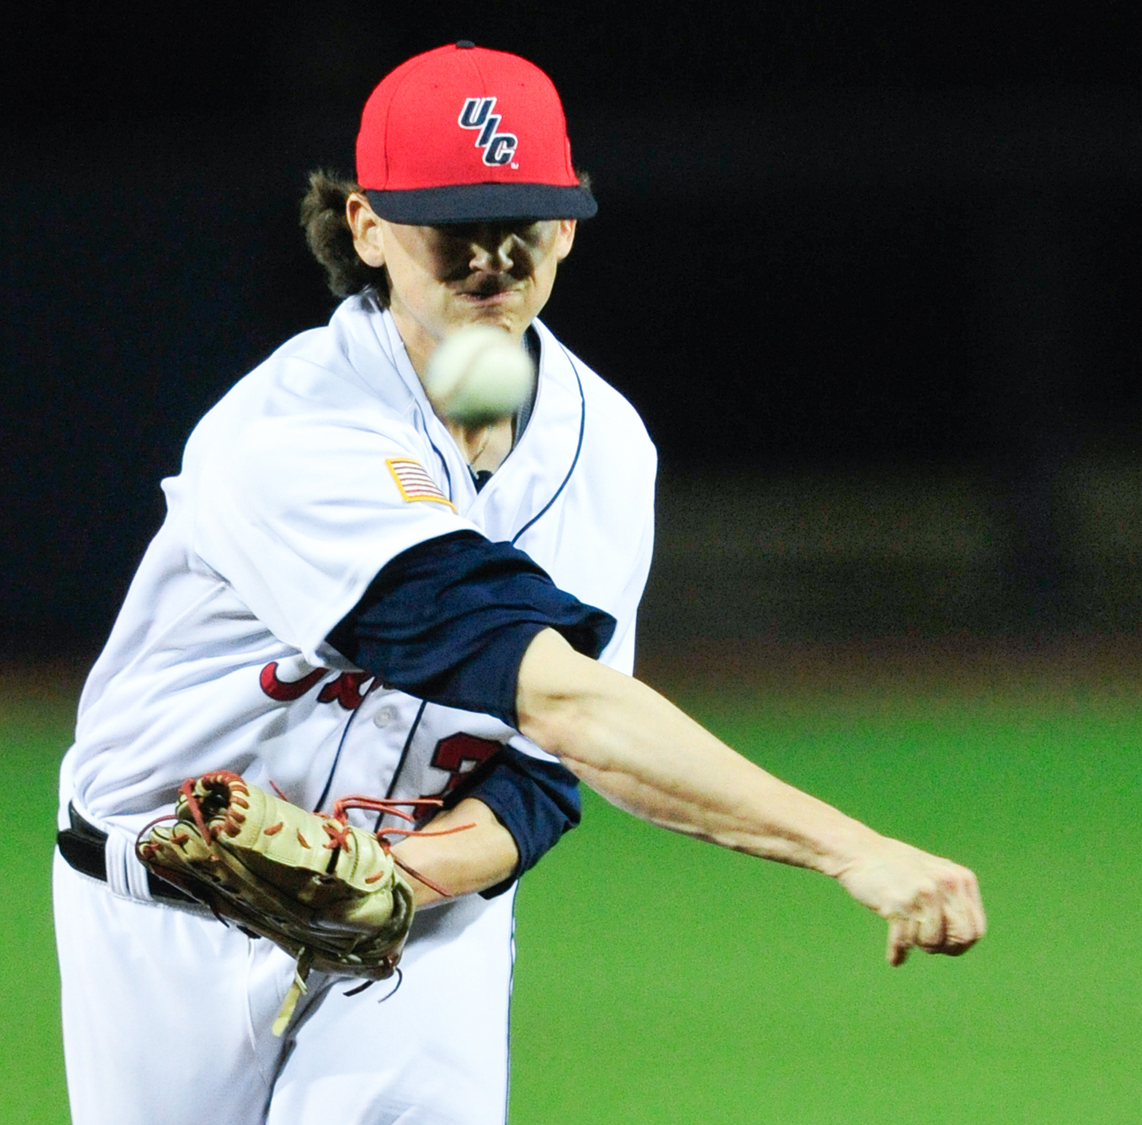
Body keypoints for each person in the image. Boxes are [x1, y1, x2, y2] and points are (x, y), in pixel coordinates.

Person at [52, 41, 984, 1125]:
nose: (493, 256)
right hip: (166, 923)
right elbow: (561, 697)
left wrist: (409, 881)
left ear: (570, 224)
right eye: (453, 223)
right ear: (364, 226)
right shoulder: (290, 432)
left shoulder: (606, 448)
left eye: (523, 218)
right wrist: (849, 848)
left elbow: (544, 770)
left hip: (420, 929)